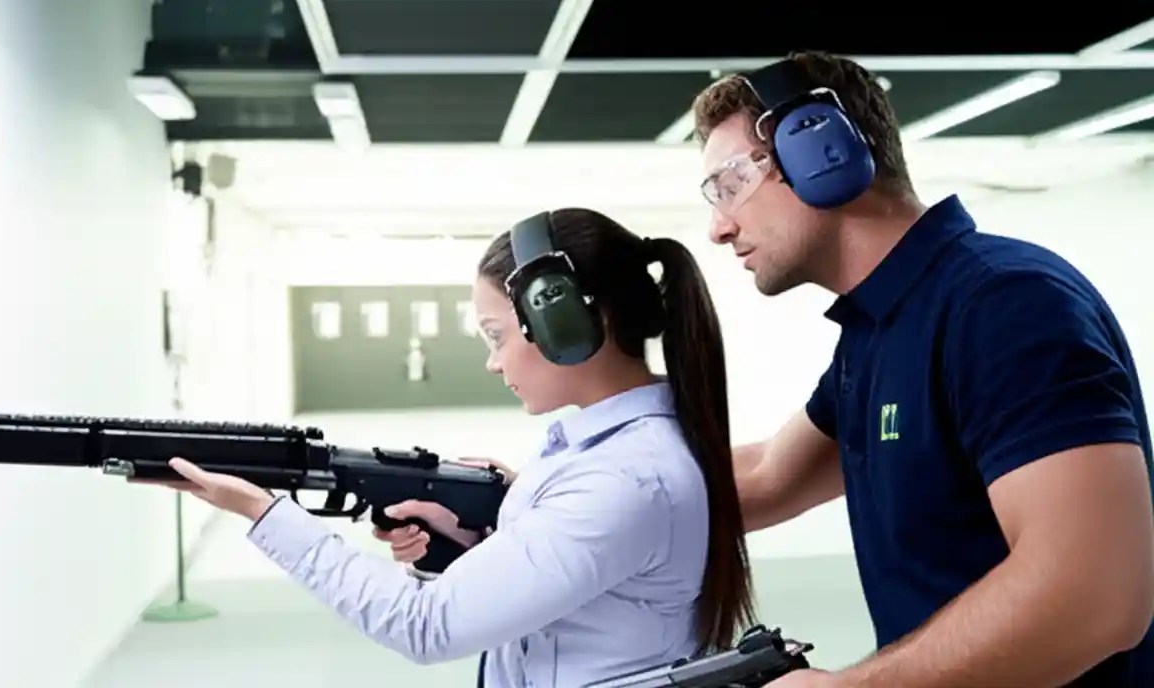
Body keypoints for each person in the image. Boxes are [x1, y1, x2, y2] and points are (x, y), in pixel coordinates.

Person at [688, 50, 1154, 686]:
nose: (719, 227)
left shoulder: (1003, 304)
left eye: (731, 184)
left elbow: (1095, 596)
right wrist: (553, 497)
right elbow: (769, 476)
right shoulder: (876, 330)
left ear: (817, 152)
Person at [141, 207, 756, 687]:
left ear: (560, 322)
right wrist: (475, 549)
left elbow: (425, 627)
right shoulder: (598, 450)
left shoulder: (623, 478)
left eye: (495, 335)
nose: (491, 362)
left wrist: (263, 512)